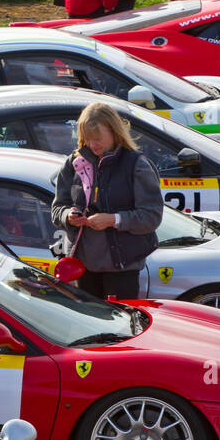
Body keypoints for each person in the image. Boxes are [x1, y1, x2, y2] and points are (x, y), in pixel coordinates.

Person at [51, 101, 162, 299]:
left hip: (122, 269)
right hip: (82, 267)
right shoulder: (73, 163)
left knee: (120, 328)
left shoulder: (136, 164)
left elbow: (151, 217)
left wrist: (113, 220)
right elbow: (57, 209)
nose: (93, 145)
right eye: (88, 139)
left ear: (115, 132)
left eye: (98, 138)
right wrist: (69, 216)